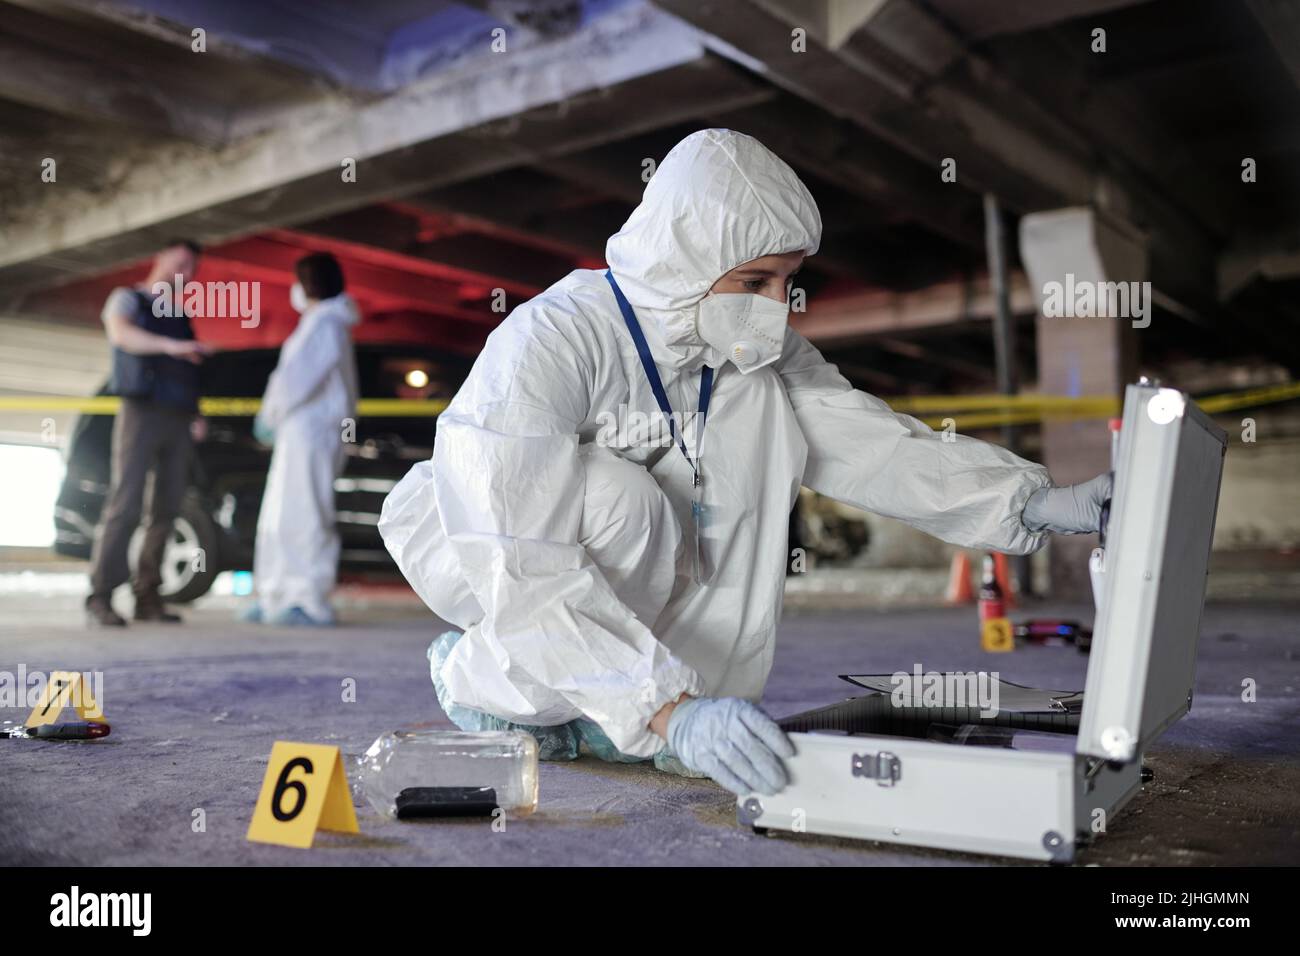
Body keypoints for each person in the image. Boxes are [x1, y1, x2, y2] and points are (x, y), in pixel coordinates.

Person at [378, 129, 1110, 795]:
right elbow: (520, 557)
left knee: (759, 410)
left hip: (612, 545)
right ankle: (482, 682)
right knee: (620, 502)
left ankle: (661, 706)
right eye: (756, 282)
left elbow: (866, 441)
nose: (777, 306)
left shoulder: (742, 349)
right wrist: (664, 709)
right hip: (475, 542)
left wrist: (1026, 501)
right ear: (686, 258)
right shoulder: (553, 341)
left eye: (787, 282)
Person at [86, 239, 210, 627]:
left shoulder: (179, 314)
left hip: (177, 418)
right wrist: (173, 346)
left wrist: (196, 412)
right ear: (161, 257)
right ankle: (101, 595)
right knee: (125, 504)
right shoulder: (127, 300)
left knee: (167, 509)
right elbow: (122, 336)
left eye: (193, 268)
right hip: (140, 413)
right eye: (182, 263)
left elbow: (186, 370)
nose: (186, 274)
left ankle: (147, 596)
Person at [243, 253, 359, 626]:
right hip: (299, 433)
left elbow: (296, 380)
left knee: (306, 513)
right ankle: (276, 593)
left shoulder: (326, 324)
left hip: (312, 432)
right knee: (283, 512)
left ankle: (308, 598)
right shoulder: (317, 324)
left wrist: (269, 413)